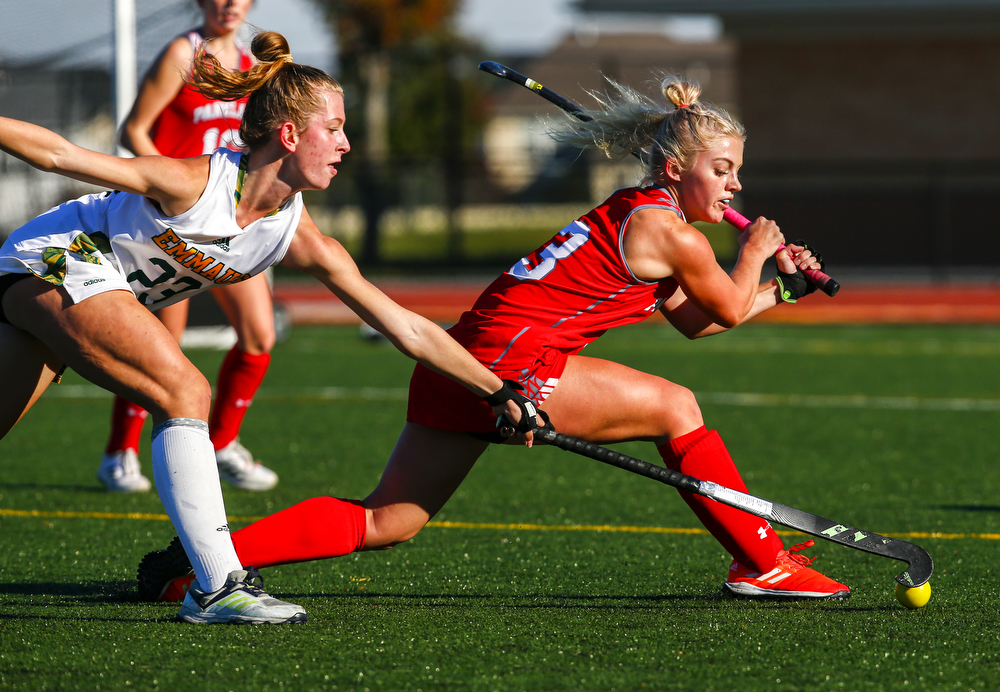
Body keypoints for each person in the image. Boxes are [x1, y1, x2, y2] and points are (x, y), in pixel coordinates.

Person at [138, 75, 851, 603]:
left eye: (738, 174)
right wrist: (758, 251)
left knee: (390, 518)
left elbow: (696, 318)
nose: (732, 187)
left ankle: (201, 563)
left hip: (460, 357)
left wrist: (777, 289)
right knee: (677, 408)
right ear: (674, 169)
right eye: (721, 171)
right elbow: (724, 308)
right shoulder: (668, 232)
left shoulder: (645, 219)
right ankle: (762, 563)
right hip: (509, 367)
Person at [0, 31, 535, 625]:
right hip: (53, 257)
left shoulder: (295, 235)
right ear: (289, 135)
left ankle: (215, 586)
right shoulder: (195, 183)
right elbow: (59, 156)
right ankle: (217, 587)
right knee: (185, 391)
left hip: (73, 287)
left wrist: (497, 389)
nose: (346, 144)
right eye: (333, 129)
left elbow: (406, 328)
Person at [99, 0, 279, 493]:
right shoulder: (183, 52)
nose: (228, 4)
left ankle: (221, 444)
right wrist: (170, 185)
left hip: (230, 221)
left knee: (260, 335)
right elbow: (133, 129)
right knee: (159, 347)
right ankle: (119, 452)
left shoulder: (253, 67)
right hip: (174, 221)